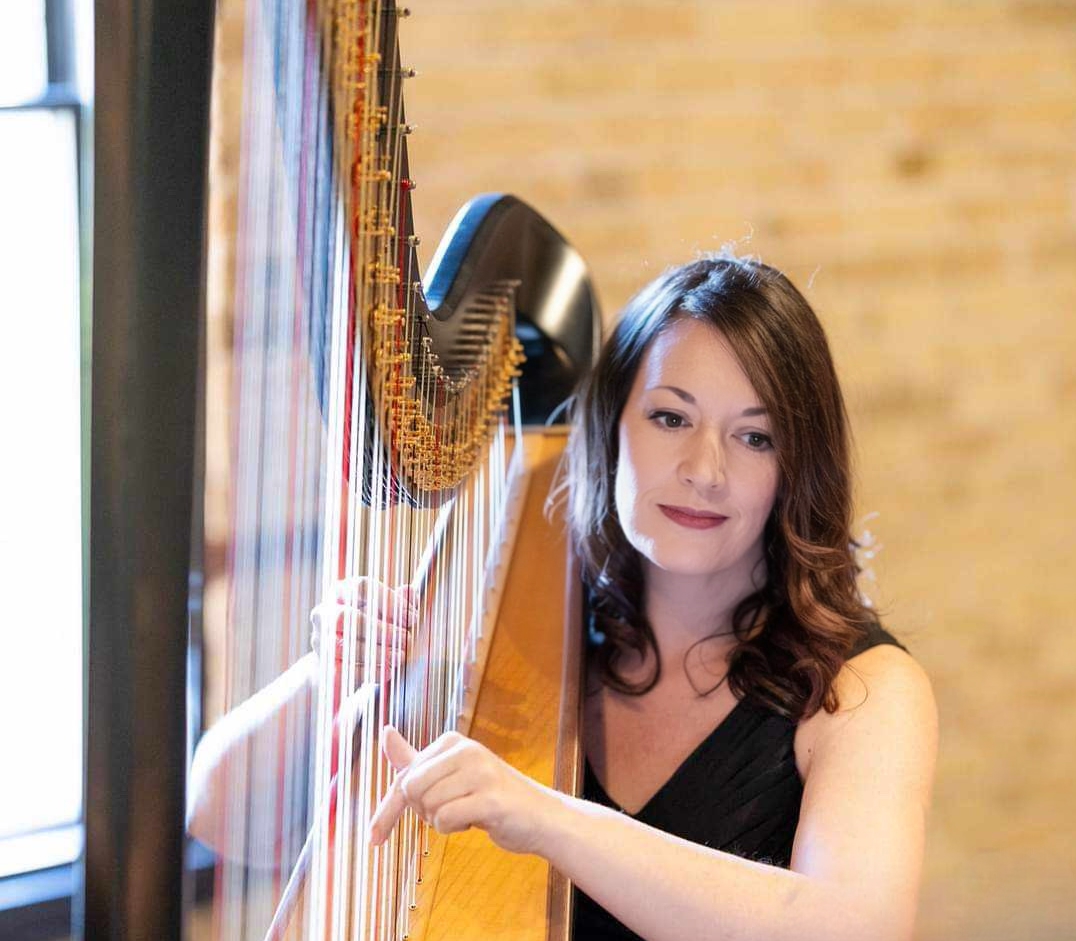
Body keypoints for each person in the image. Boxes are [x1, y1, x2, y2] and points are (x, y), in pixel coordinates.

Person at [189, 254, 936, 941]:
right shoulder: (523, 618)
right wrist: (331, 671)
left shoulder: (865, 689)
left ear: (796, 467)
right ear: (611, 427)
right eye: (671, 417)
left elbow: (853, 925)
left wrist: (545, 817)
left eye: (755, 437)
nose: (705, 469)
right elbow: (218, 812)